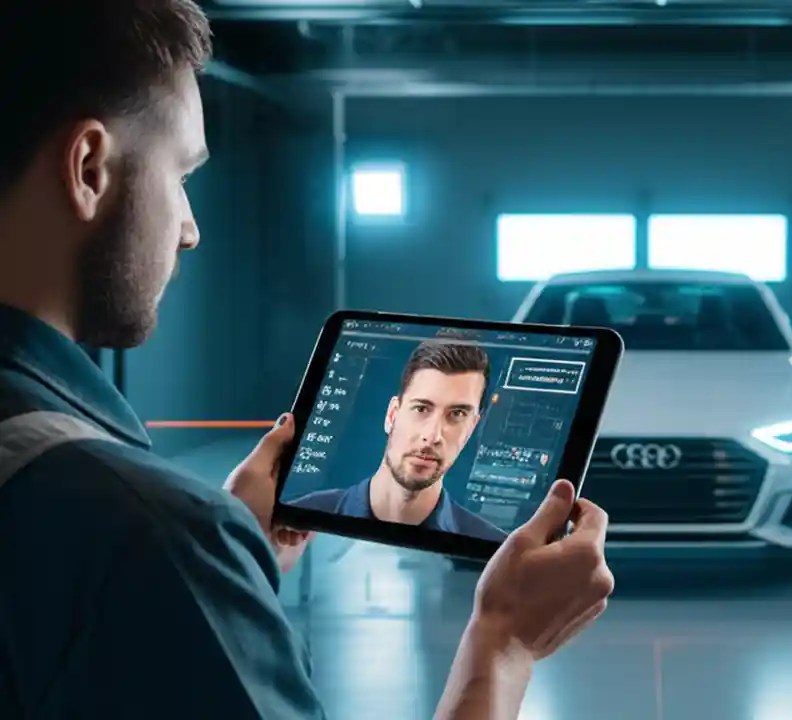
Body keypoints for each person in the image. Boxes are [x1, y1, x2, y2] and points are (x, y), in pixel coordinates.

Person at [0, 2, 613, 718]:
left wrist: (222, 561)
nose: (190, 230)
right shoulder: (146, 535)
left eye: (458, 414)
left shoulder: (145, 533)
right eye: (181, 176)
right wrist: (503, 645)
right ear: (90, 168)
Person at [293, 342, 508, 542]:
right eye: (421, 409)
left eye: (457, 414)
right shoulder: (299, 520)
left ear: (471, 428)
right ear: (392, 416)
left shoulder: (494, 548)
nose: (432, 436)